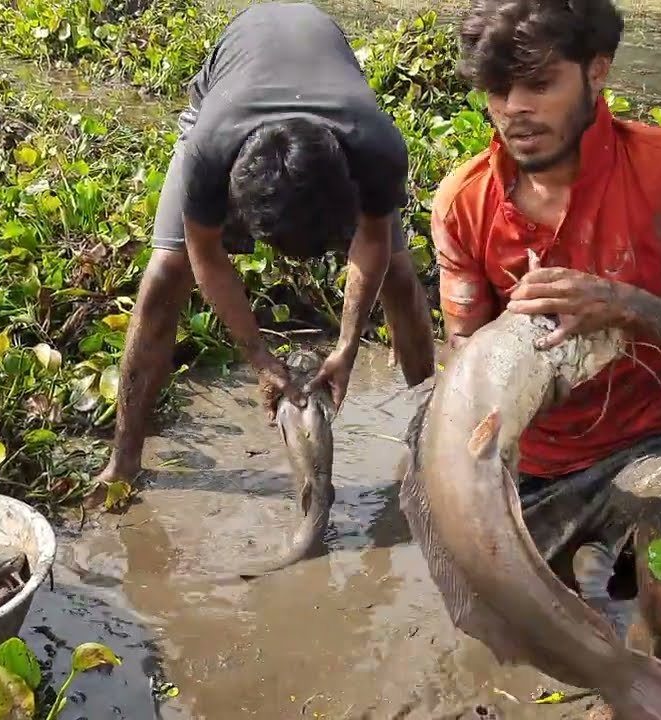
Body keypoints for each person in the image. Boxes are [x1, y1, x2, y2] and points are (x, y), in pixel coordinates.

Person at [428, 0, 661, 694]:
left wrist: (626, 305)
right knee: (523, 620)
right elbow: (464, 358)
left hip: (658, 435)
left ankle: (638, 699)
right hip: (534, 458)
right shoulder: (462, 201)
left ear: (597, 71)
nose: (514, 110)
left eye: (539, 84)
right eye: (498, 89)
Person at [89, 1, 436, 498]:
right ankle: (122, 460)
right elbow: (205, 253)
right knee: (165, 275)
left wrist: (346, 346)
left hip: (323, 69)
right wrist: (259, 358)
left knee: (401, 278)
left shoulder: (376, 146)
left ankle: (429, 436)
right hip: (230, 86)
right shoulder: (209, 153)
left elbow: (375, 240)